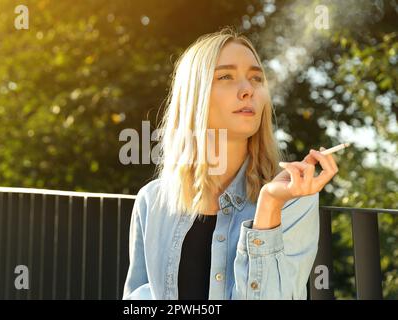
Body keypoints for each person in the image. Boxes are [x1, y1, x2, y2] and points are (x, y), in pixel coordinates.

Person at [122, 27, 339, 300]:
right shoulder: (152, 200)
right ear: (194, 94)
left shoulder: (293, 198)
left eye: (256, 78)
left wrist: (269, 206)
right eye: (226, 76)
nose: (248, 90)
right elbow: (139, 298)